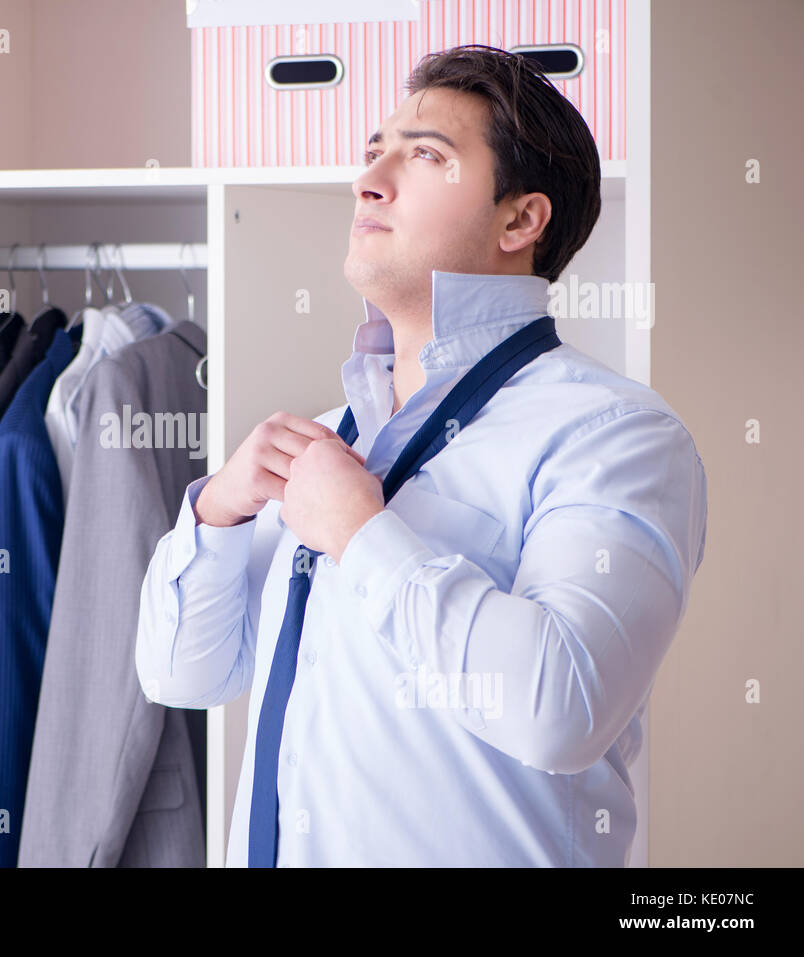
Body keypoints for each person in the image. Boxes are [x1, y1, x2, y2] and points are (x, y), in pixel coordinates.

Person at [134, 44, 707, 867]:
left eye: (426, 154)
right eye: (375, 150)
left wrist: (362, 537)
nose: (369, 178)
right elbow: (183, 676)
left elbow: (563, 708)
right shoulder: (331, 440)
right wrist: (216, 512)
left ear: (521, 220)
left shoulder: (615, 435)